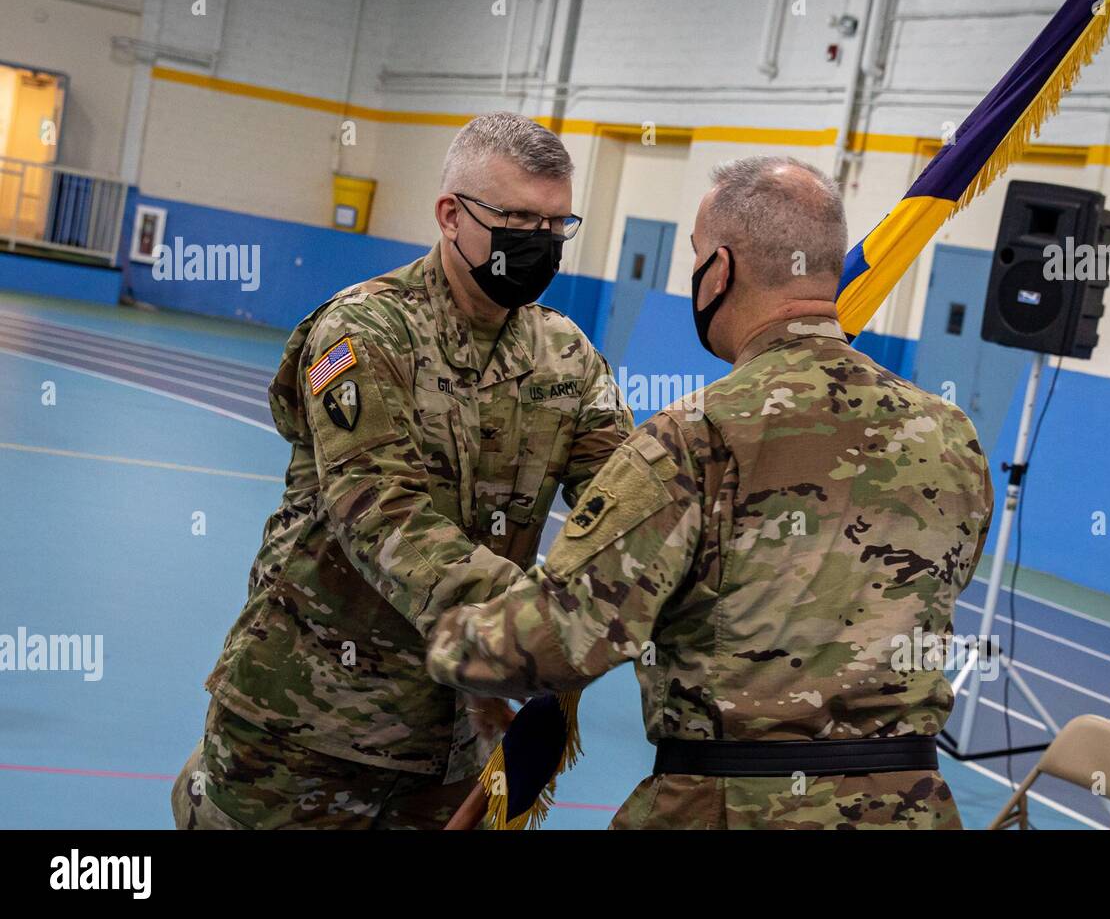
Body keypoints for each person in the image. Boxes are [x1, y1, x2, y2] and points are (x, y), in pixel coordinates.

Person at [420, 155, 994, 828]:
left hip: (731, 806)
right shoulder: (952, 435)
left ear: (718, 270)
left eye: (695, 256)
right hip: (910, 810)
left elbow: (566, 635)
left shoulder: (697, 437)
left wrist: (445, 636)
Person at [171, 111, 631, 829]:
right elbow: (380, 512)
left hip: (455, 736)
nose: (539, 243)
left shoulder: (566, 356)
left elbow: (622, 498)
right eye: (517, 218)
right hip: (307, 723)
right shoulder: (364, 332)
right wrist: (542, 614)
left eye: (556, 225)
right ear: (451, 215)